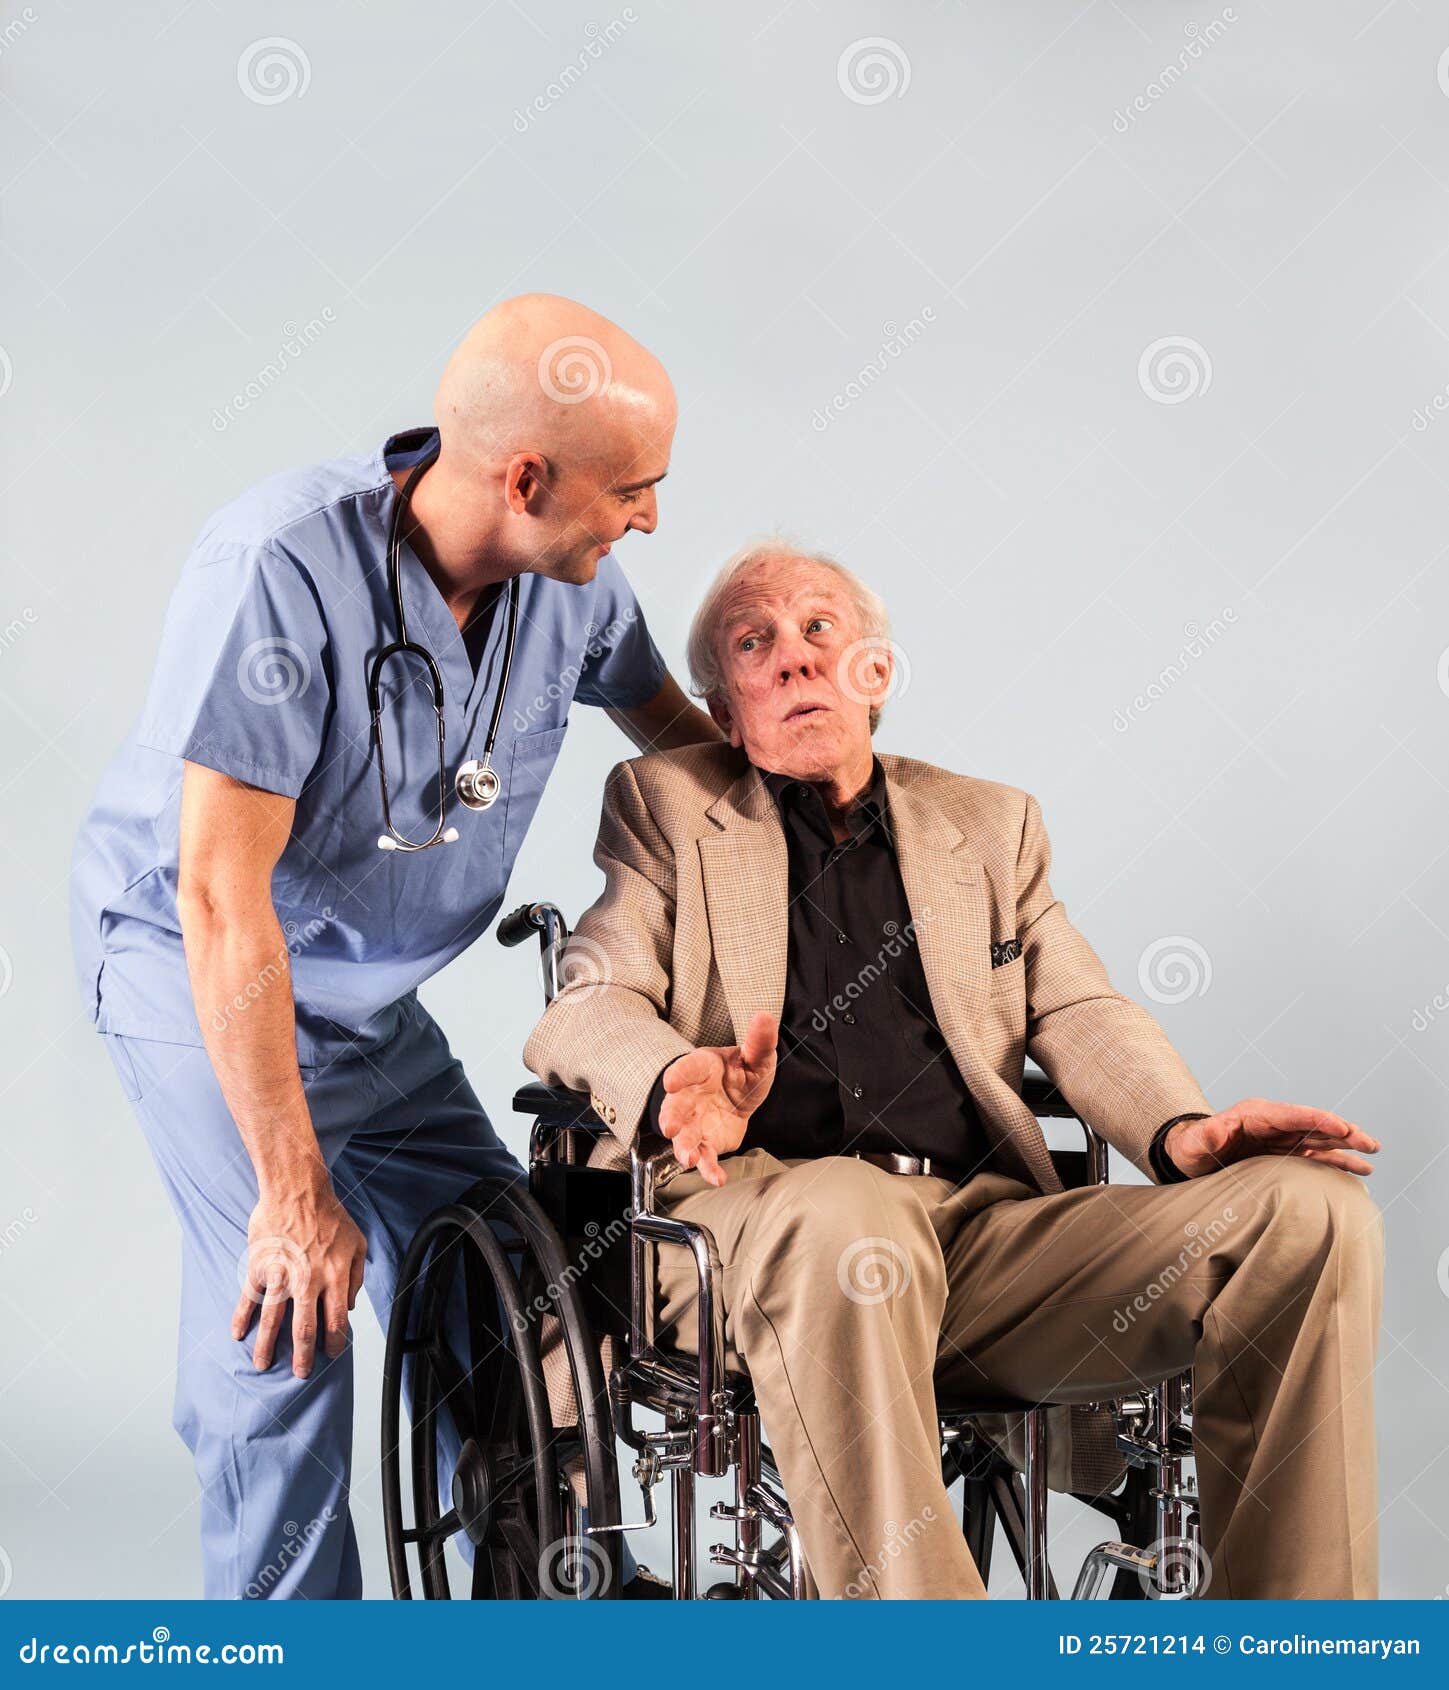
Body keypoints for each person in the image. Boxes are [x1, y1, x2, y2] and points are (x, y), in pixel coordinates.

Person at [523, 539, 1385, 1600]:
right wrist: (669, 1079)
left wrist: (1180, 1131)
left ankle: (1286, 1644)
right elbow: (591, 995)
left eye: (819, 629)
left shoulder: (987, 823)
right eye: (754, 644)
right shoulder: (664, 805)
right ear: (725, 713)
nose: (794, 656)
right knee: (846, 1212)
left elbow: (1076, 1006)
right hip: (758, 1223)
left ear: (873, 673)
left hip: (980, 1236)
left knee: (1308, 1213)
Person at [69, 294, 719, 1599]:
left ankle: (539, 1605)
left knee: (507, 1290)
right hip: (196, 969)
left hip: (364, 1001)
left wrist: (846, 809)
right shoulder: (282, 568)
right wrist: (293, 1190)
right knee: (289, 1317)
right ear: (526, 479)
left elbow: (692, 756)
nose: (650, 515)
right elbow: (219, 895)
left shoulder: (573, 586)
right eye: (631, 488)